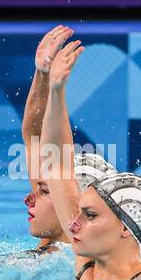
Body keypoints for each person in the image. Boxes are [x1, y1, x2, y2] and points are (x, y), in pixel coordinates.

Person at [42, 39, 141, 280]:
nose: (72, 223)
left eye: (90, 215)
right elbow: (57, 162)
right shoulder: (86, 268)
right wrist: (56, 90)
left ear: (125, 227)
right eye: (81, 212)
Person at [21, 25, 117, 256]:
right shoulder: (47, 254)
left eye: (45, 191)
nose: (28, 198)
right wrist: (42, 74)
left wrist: (57, 89)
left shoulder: (84, 266)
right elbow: (35, 135)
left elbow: (57, 164)